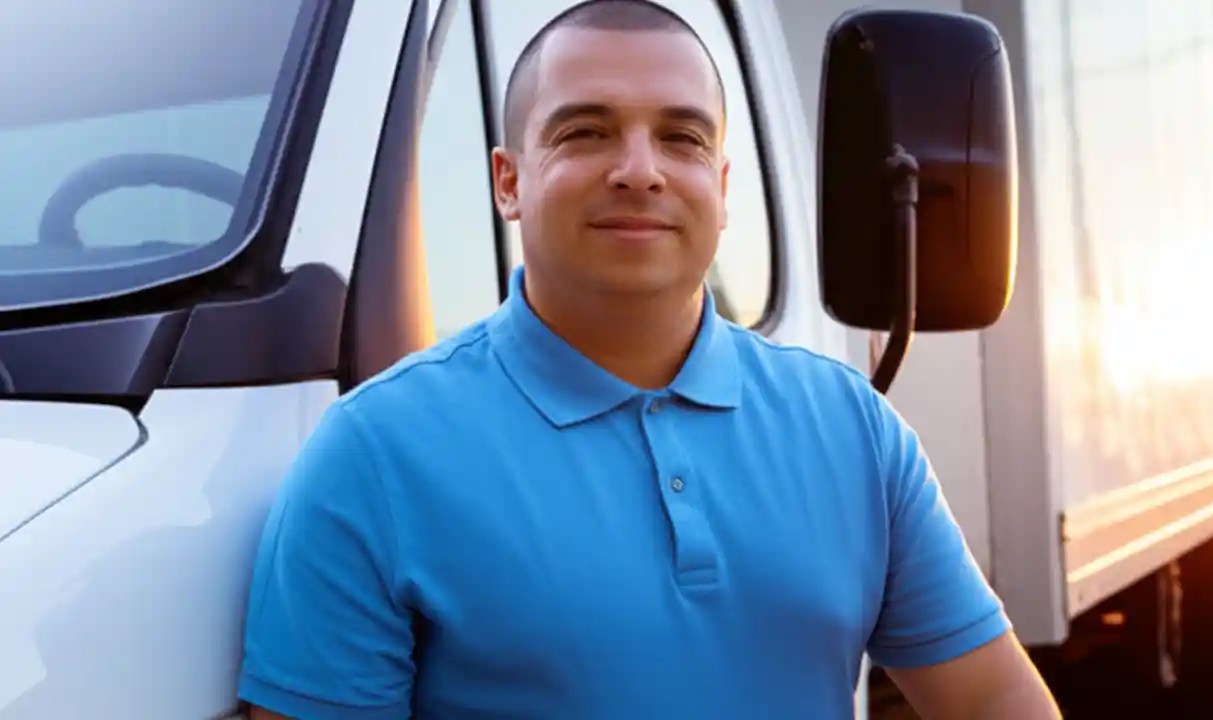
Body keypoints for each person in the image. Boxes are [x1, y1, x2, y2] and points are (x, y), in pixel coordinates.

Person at [238, 1, 1061, 718]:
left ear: (723, 185)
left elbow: (990, 698)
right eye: (585, 131)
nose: (640, 171)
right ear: (508, 181)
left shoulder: (855, 431)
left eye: (682, 137)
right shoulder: (372, 458)